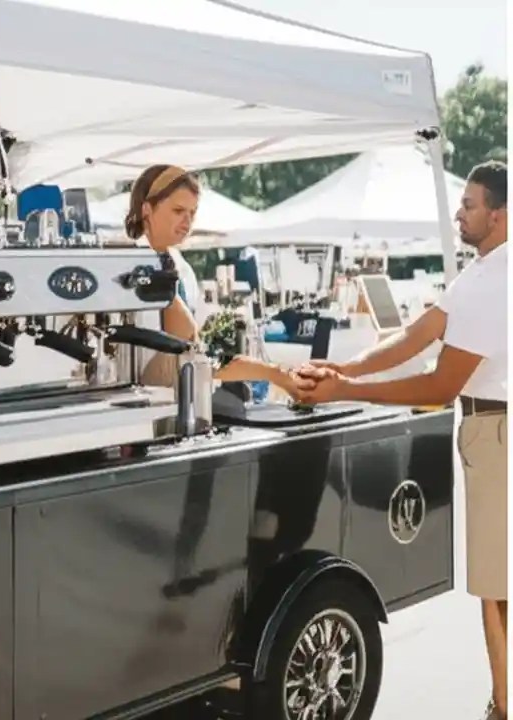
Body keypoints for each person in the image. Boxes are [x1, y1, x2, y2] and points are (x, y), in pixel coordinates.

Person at [296, 160, 507, 720]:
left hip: (498, 433)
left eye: (470, 204)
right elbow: (411, 337)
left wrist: (346, 391)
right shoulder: (480, 274)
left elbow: (440, 384)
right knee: (497, 585)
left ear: (500, 214)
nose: (460, 212)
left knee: (498, 586)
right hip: (489, 430)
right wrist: (344, 370)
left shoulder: (498, 281)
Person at [125, 164, 305, 396]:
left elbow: (200, 355)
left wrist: (275, 373)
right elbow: (186, 341)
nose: (187, 222)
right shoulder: (130, 266)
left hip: (180, 399)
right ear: (147, 209)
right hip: (141, 405)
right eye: (178, 211)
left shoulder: (181, 266)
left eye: (192, 213)